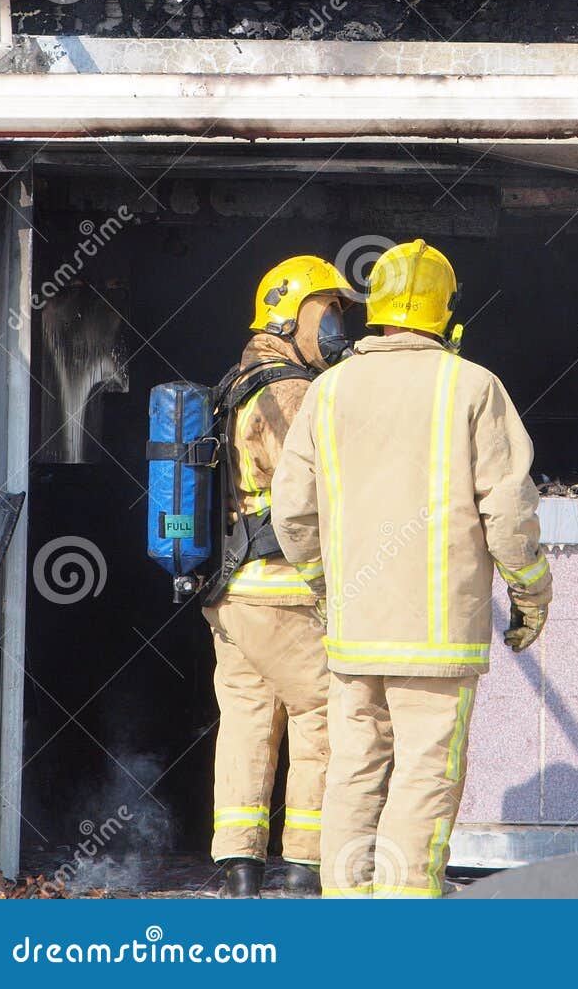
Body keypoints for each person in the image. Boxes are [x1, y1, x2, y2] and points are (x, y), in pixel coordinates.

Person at [272, 239, 551, 898]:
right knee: (424, 774)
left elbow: (291, 509)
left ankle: (347, 918)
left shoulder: (329, 390)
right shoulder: (473, 386)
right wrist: (530, 592)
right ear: (445, 315)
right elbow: (508, 509)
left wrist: (321, 583)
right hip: (437, 635)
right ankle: (402, 921)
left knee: (353, 770)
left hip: (353, 631)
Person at [204, 255, 355, 898]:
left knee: (246, 719)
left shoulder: (236, 379)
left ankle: (239, 866)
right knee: (321, 712)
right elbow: (319, 489)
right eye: (332, 311)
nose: (339, 328)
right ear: (292, 312)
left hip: (231, 592)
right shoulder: (289, 390)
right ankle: (304, 864)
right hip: (283, 589)